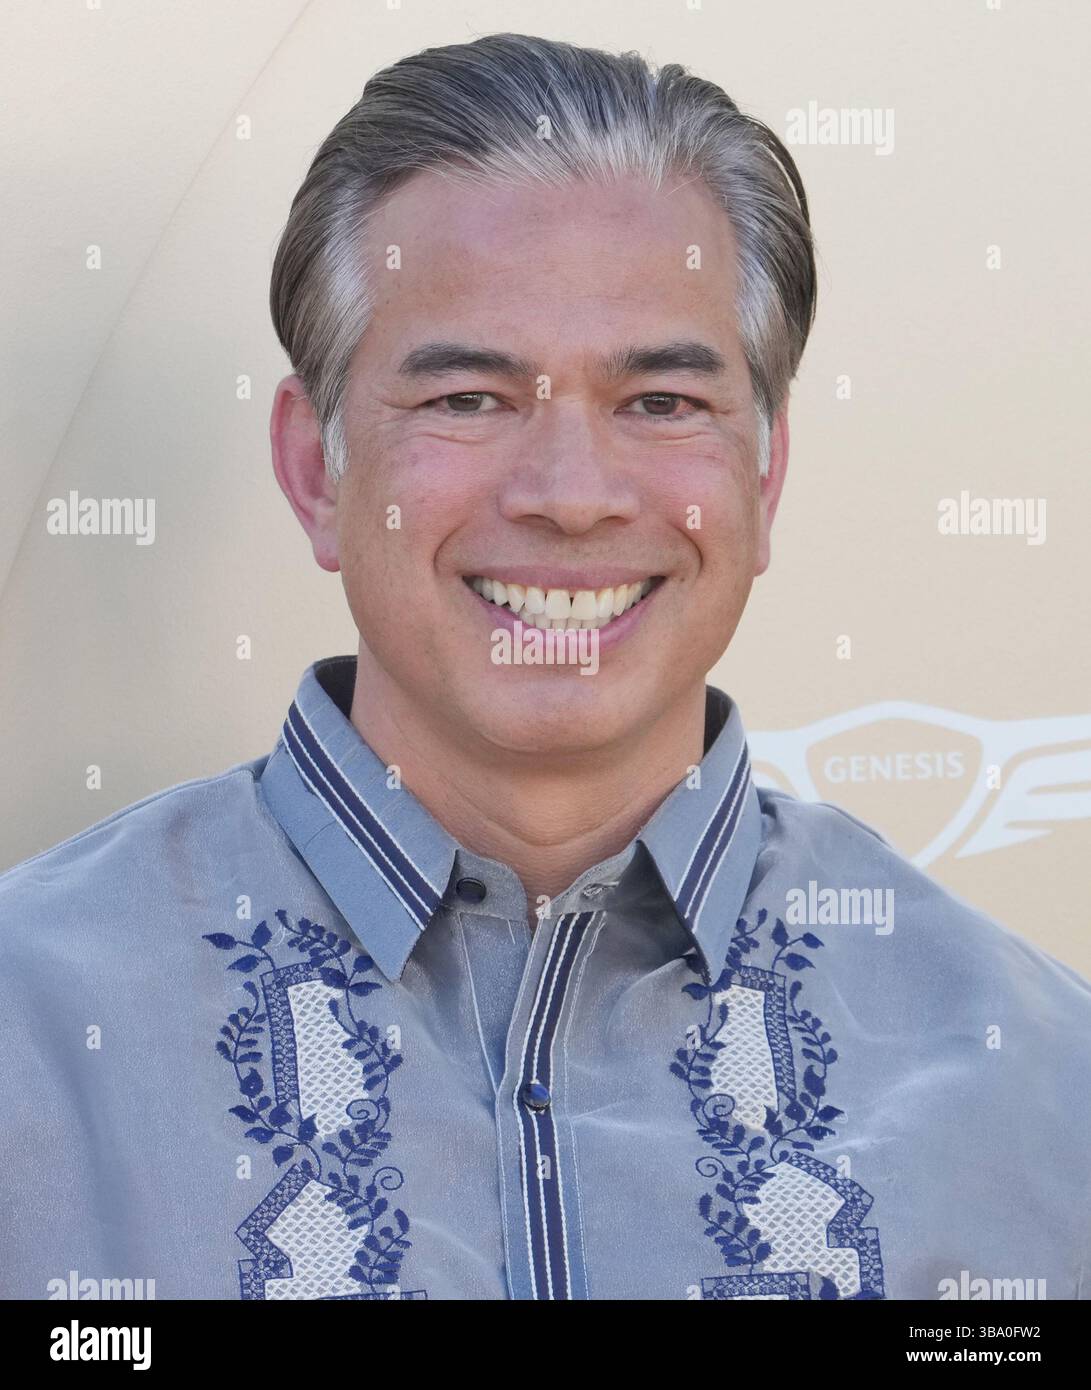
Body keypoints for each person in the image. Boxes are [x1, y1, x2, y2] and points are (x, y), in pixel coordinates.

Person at [2, 32, 1088, 1303]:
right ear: (315, 470)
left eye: (660, 403)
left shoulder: (1039, 1085)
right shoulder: (32, 1032)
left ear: (762, 473)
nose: (571, 497)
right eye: (468, 399)